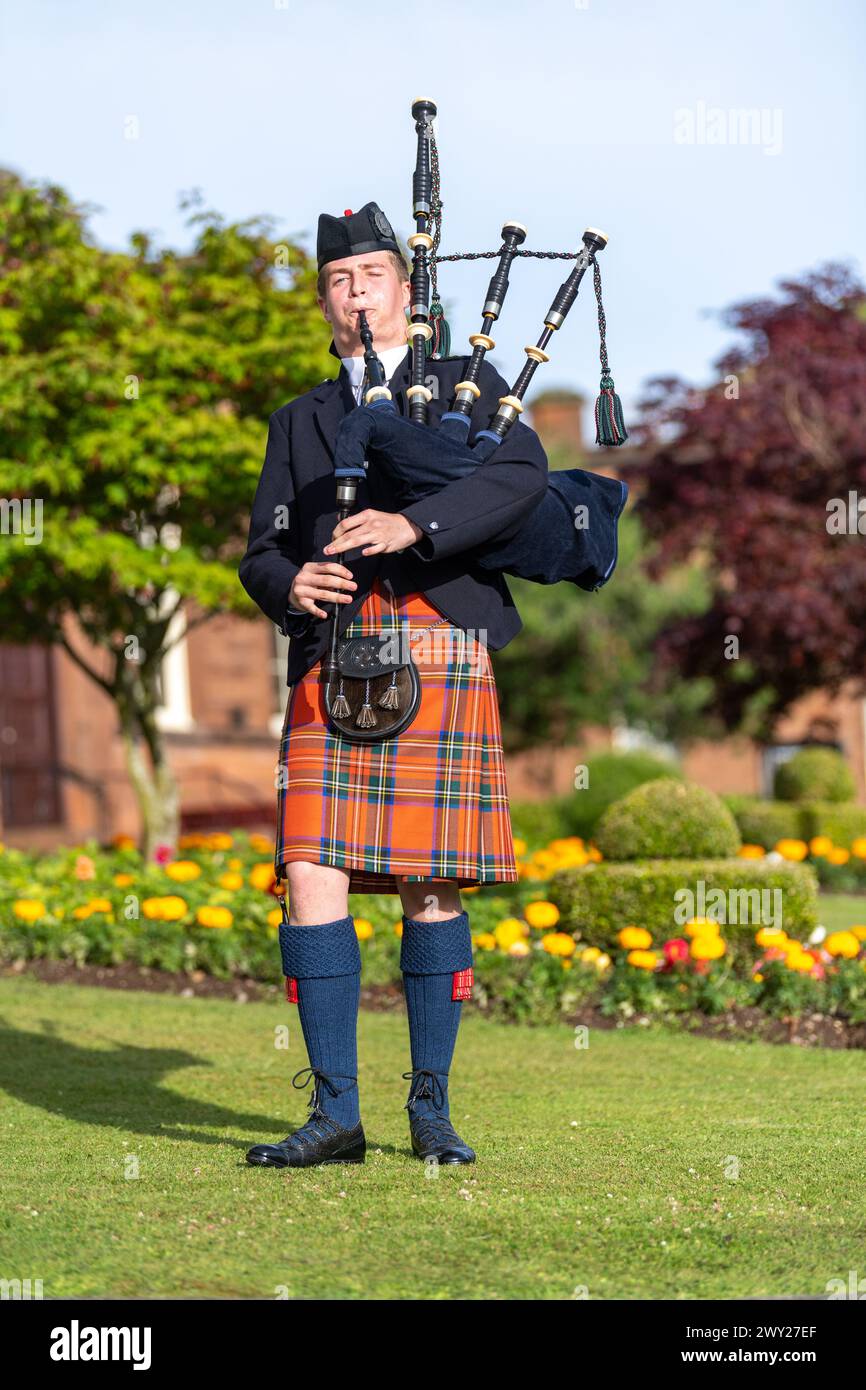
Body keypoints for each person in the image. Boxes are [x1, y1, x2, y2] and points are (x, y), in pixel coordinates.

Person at [239, 201, 548, 1169]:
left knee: (428, 882)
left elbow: (522, 477)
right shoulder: (299, 420)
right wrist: (292, 581)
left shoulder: (463, 385)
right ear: (324, 303)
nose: (354, 294)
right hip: (334, 654)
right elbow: (257, 551)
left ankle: (431, 1109)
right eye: (338, 281)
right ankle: (335, 1112)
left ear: (405, 292)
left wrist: (413, 528)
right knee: (309, 875)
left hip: (438, 638)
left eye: (370, 276)